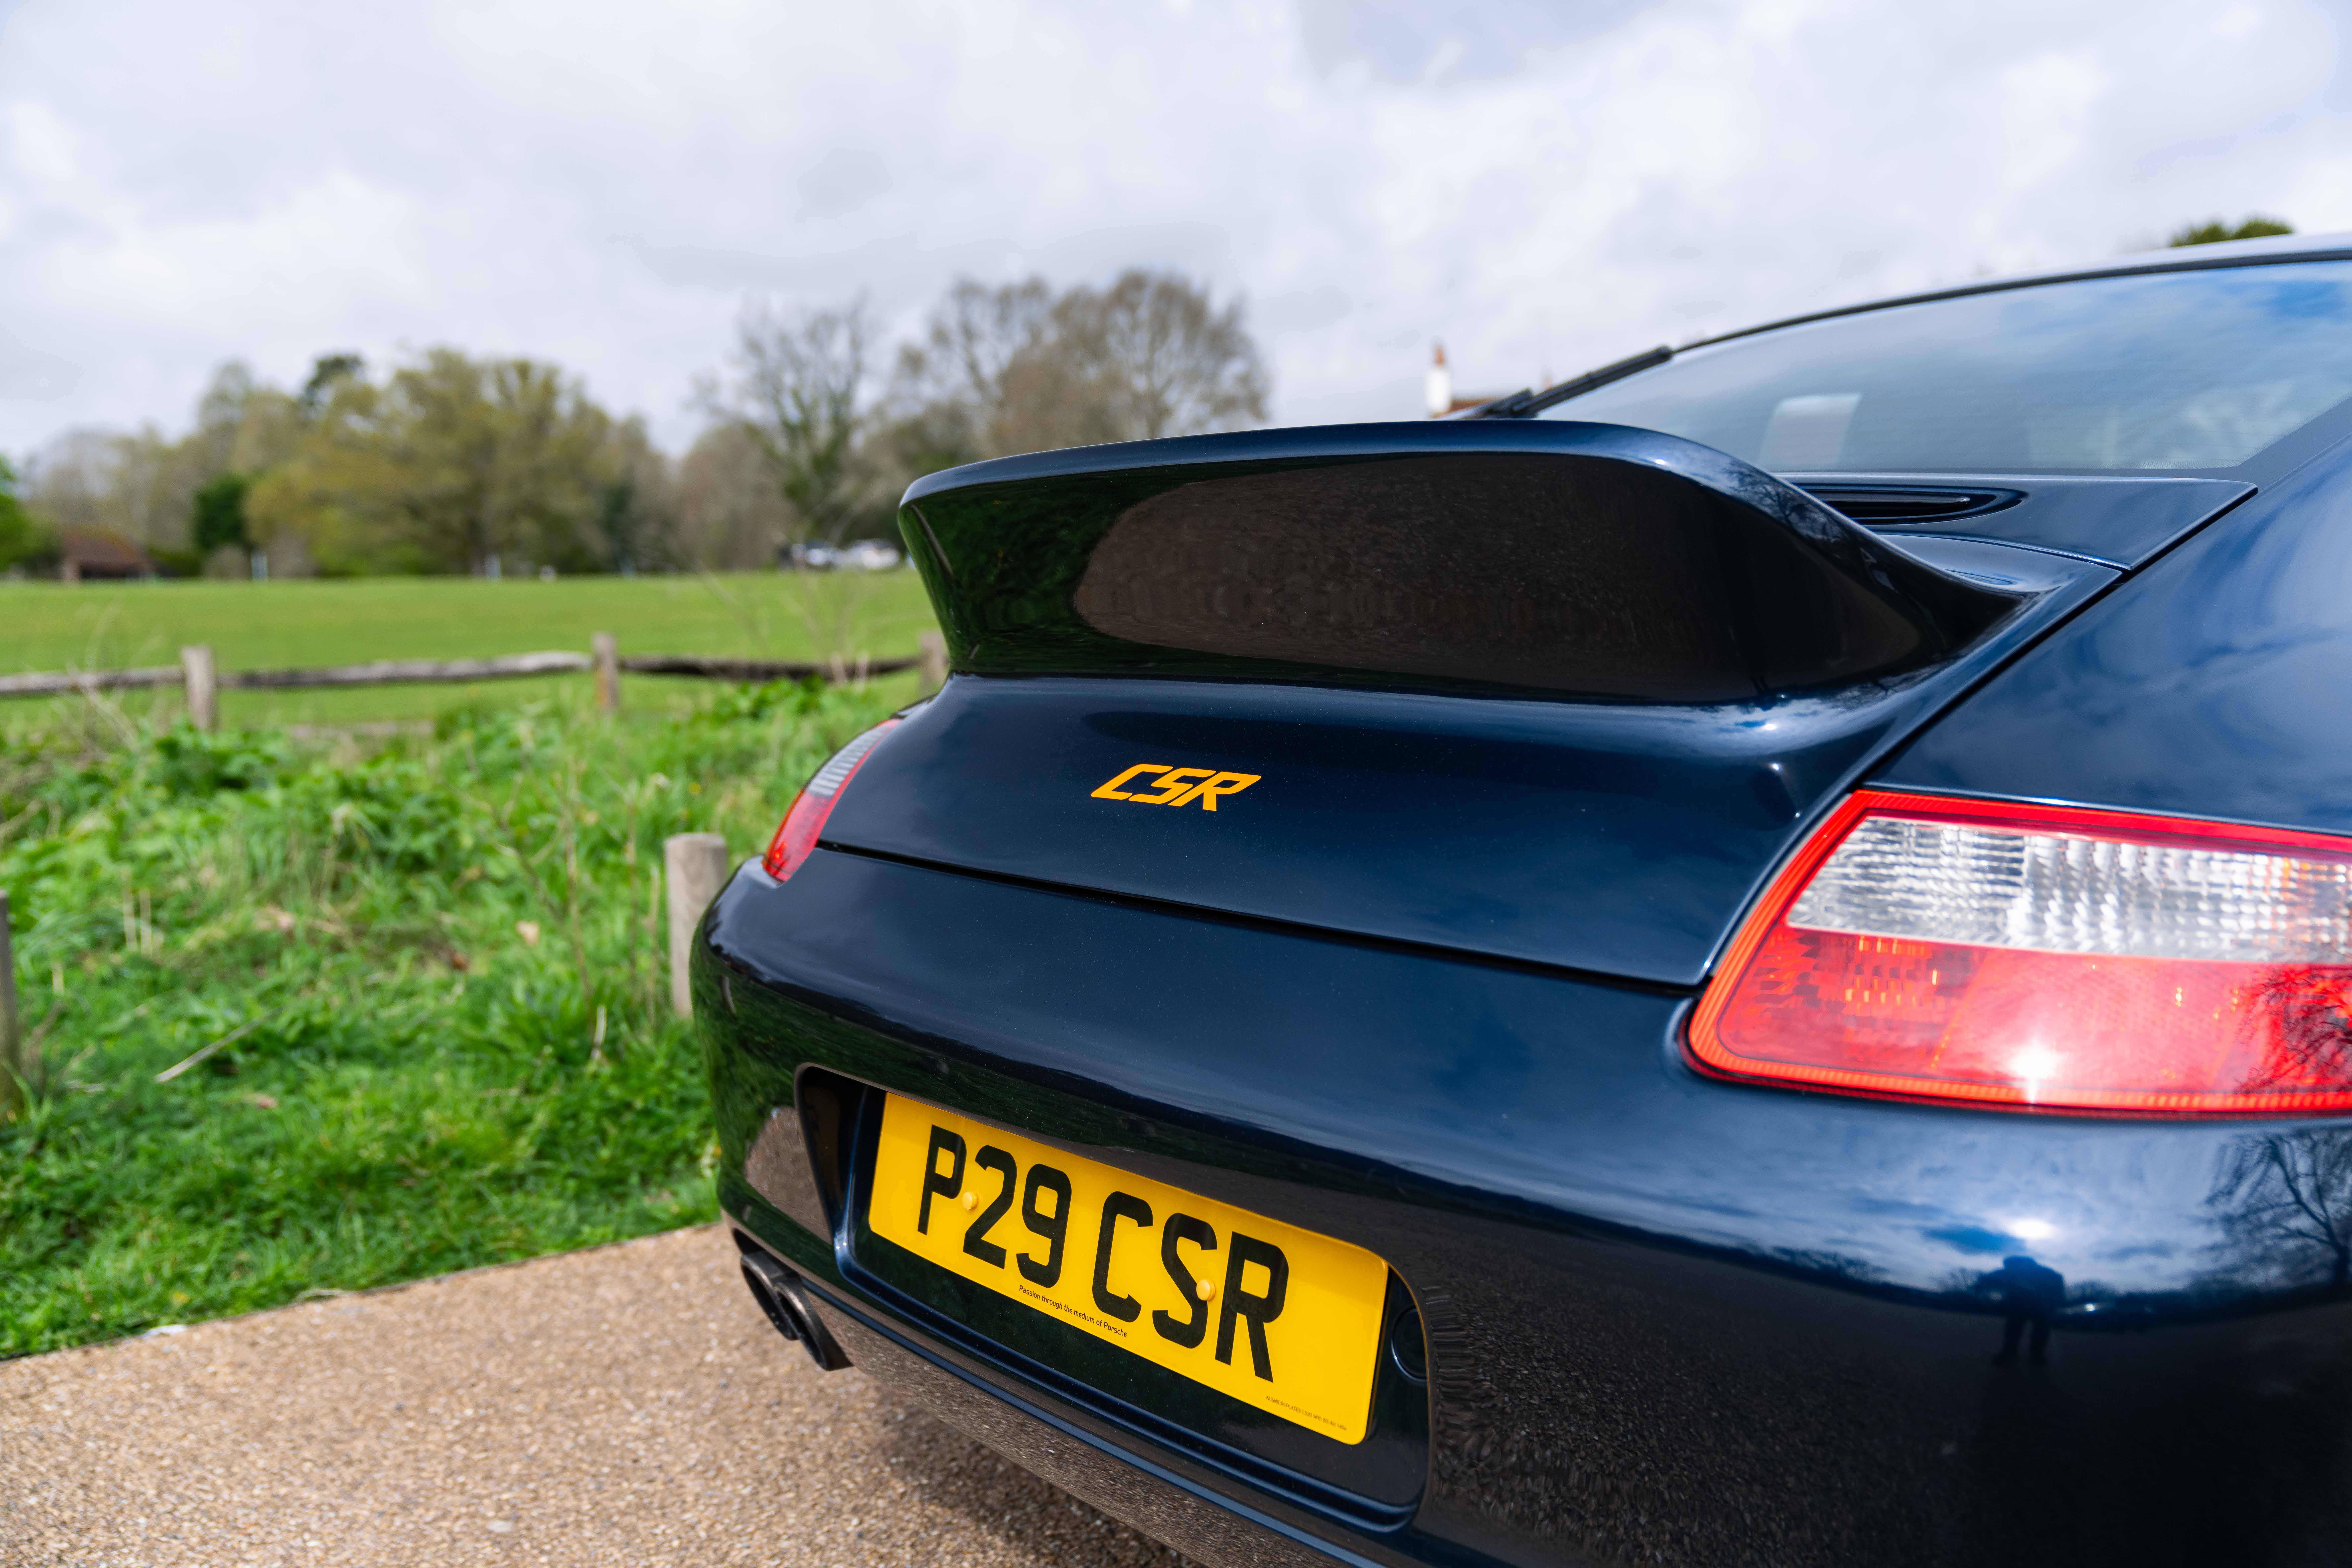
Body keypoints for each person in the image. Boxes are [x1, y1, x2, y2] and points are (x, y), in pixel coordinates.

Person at [1983, 1255, 2066, 1366]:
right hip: (2023, 1305)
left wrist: (2056, 1301)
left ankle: (2034, 1354)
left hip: (2039, 1305)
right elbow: (1992, 1278)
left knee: (2035, 1330)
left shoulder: (2045, 1273)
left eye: (2009, 1266)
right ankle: (2019, 1353)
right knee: (2016, 1329)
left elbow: (2057, 1287)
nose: (2007, 1268)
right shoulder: (2013, 1271)